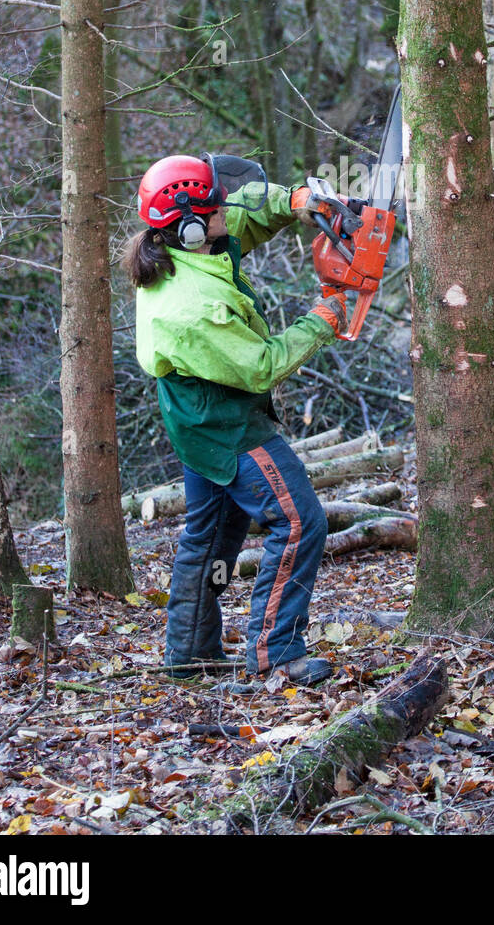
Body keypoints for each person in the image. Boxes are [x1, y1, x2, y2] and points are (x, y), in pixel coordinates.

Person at [123, 152, 349, 687]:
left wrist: (297, 202)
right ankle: (277, 654)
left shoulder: (186, 245)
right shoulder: (193, 305)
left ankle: (191, 651)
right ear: (192, 224)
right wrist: (323, 319)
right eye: (215, 205)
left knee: (212, 534)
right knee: (298, 522)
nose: (226, 208)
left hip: (193, 417)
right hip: (222, 419)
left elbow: (245, 213)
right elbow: (262, 366)